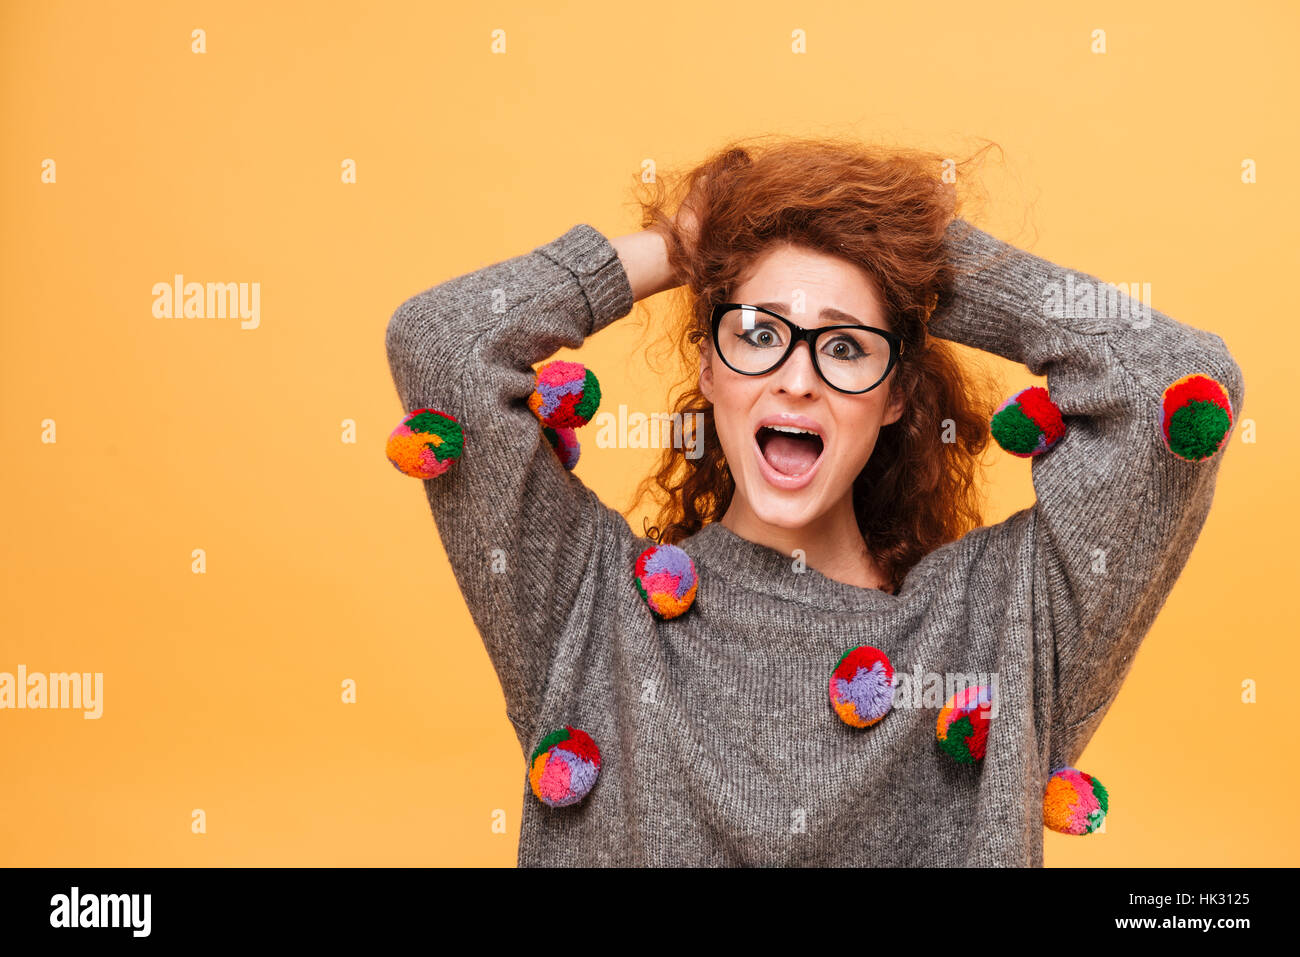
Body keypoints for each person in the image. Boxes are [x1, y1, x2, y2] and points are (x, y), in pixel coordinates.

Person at [384, 135, 1244, 866]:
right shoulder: (590, 603)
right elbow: (442, 342)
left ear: (898, 391)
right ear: (709, 368)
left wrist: (920, 259)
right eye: (757, 334)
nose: (796, 378)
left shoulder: (998, 626)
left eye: (844, 345)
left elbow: (1169, 387)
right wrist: (687, 246)